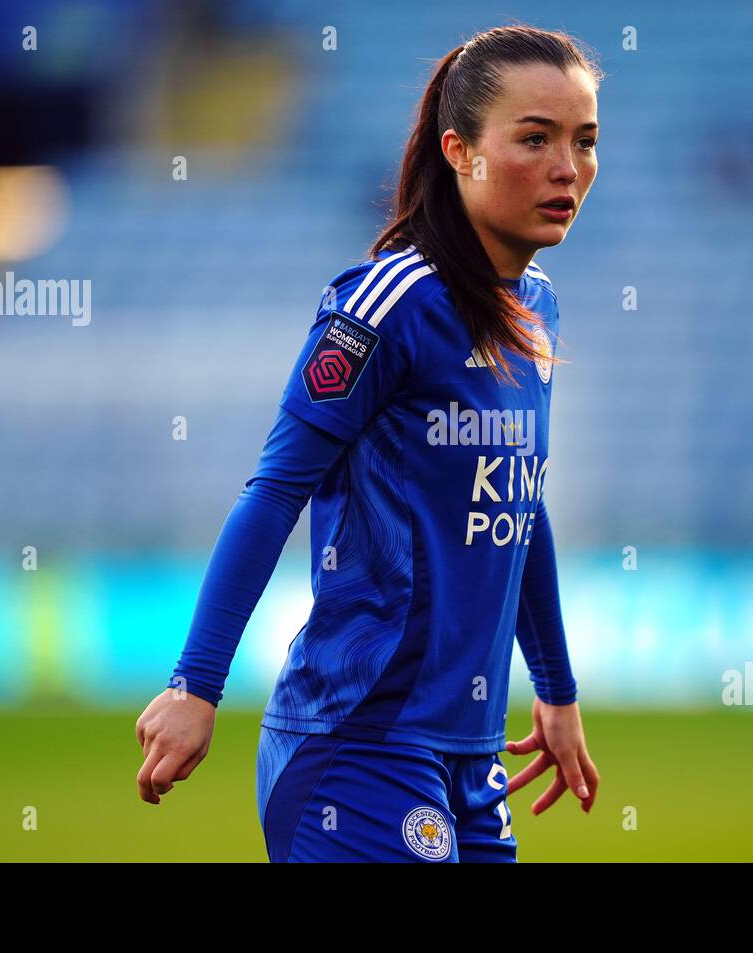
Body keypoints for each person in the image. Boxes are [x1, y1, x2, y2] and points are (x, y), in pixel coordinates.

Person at [135, 24, 602, 862]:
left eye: (584, 140)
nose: (568, 167)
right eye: (535, 139)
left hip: (468, 757)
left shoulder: (539, 308)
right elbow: (275, 490)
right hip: (357, 742)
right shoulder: (388, 303)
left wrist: (557, 690)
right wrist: (194, 685)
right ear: (460, 152)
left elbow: (517, 507)